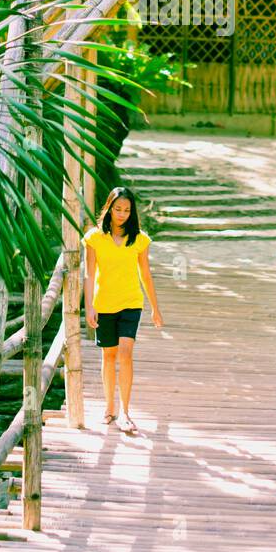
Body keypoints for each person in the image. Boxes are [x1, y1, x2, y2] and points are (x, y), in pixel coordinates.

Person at [83, 185, 162, 435]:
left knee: (126, 354)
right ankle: (109, 409)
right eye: (117, 209)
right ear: (109, 208)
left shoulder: (139, 238)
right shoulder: (94, 237)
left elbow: (146, 274)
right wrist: (89, 307)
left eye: (127, 210)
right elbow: (89, 274)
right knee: (109, 356)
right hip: (104, 303)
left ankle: (126, 412)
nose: (122, 214)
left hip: (131, 302)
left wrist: (155, 309)